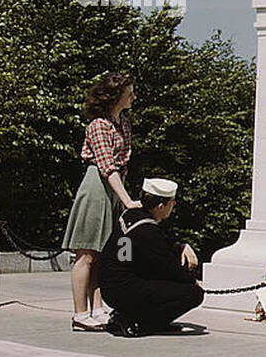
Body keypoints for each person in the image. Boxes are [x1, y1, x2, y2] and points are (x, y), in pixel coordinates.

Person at [62, 71, 141, 331]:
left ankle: (97, 308)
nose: (133, 96)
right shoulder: (98, 125)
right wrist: (127, 201)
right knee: (86, 253)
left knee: (101, 254)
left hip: (112, 188)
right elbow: (107, 166)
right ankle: (79, 313)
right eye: (128, 92)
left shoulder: (123, 123)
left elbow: (121, 164)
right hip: (98, 185)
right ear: (115, 95)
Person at [98, 178, 204, 337]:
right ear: (161, 206)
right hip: (124, 290)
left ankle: (138, 318)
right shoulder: (147, 230)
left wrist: (181, 246)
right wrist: (193, 279)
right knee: (193, 294)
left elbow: (159, 243)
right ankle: (139, 322)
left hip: (112, 286)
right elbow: (167, 268)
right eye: (172, 203)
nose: (174, 206)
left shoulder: (131, 215)